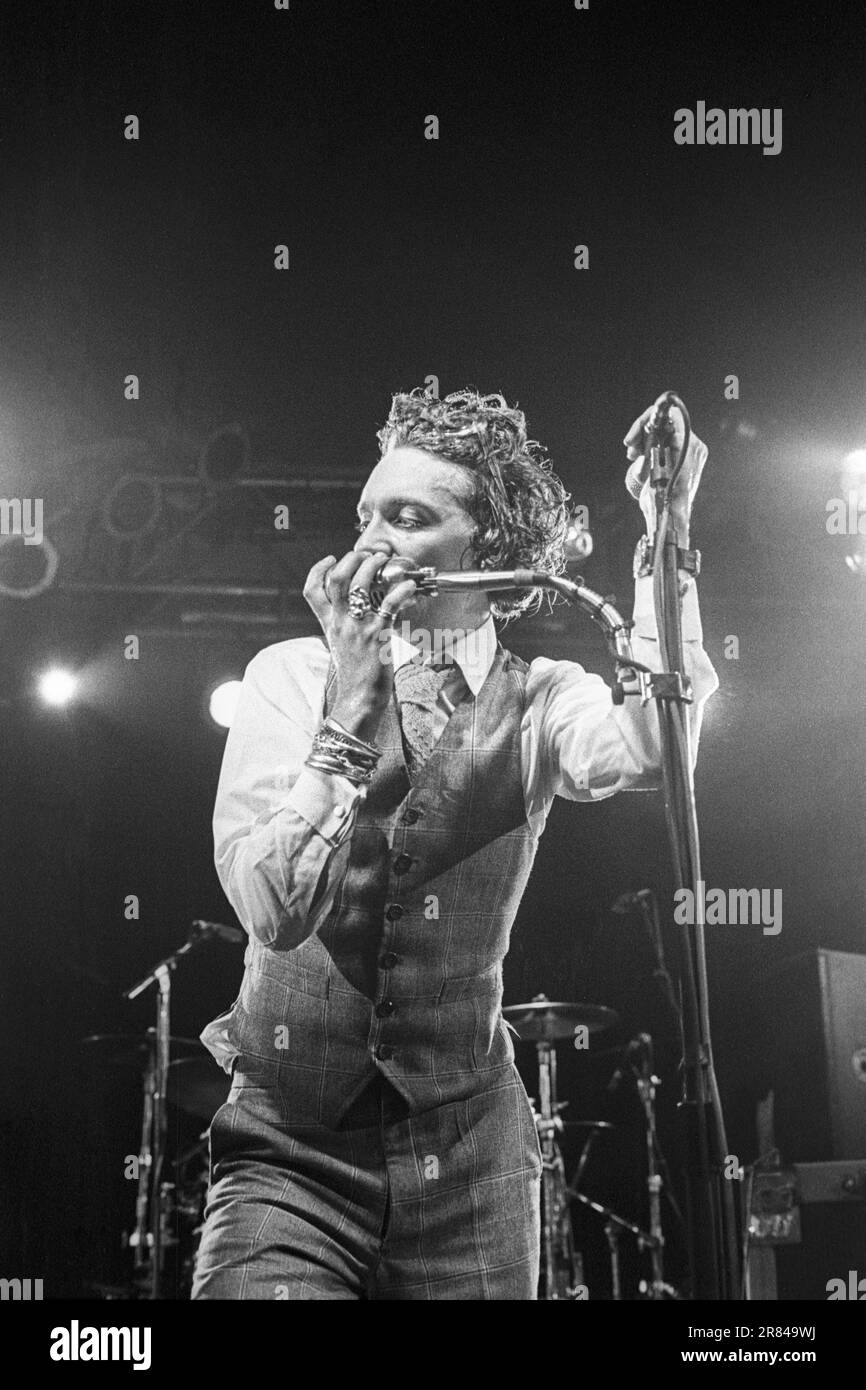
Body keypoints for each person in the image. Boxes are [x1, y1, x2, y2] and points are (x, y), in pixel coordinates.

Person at [191, 387, 718, 1300]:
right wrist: (350, 714)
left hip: (468, 1162)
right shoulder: (287, 678)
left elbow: (654, 753)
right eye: (366, 515)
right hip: (290, 1151)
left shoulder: (544, 695)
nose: (369, 542)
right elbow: (274, 910)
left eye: (407, 518)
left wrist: (665, 543)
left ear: (493, 560)